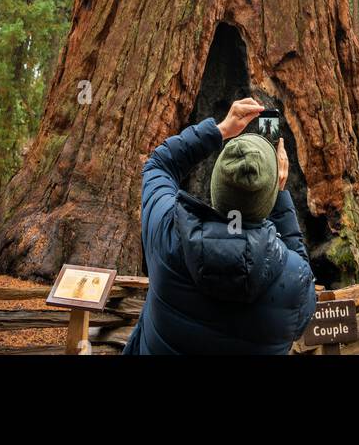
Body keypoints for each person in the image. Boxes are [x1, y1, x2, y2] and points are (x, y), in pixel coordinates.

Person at [122, 96, 316, 354]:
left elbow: (159, 164)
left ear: (215, 185)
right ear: (269, 200)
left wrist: (221, 130)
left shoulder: (167, 233)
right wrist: (279, 193)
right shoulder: (293, 283)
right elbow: (302, 269)